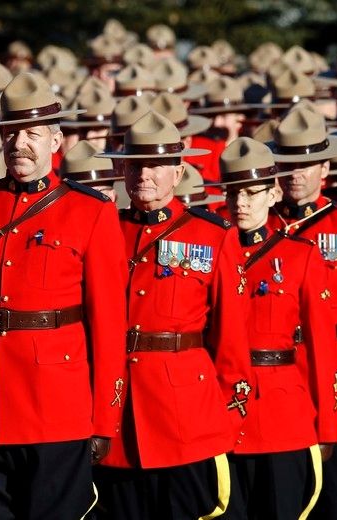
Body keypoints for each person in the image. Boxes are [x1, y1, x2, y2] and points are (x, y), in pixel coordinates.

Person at [0, 72, 128, 519]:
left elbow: (108, 325)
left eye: (32, 134)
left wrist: (104, 417)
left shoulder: (90, 211)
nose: (19, 143)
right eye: (11, 133)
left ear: (55, 139)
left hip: (57, 408)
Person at [95, 111, 252, 519]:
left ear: (179, 171)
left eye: (155, 165)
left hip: (186, 413)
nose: (143, 175)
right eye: (134, 165)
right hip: (118, 414)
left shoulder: (212, 235)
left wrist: (225, 415)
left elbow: (231, 337)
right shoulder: (104, 230)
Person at [205, 137, 337, 519]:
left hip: (281, 418)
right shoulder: (208, 252)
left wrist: (327, 427)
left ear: (273, 193)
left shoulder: (300, 256)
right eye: (232, 193)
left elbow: (322, 347)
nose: (240, 203)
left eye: (250, 192)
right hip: (222, 415)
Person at [261, 108, 337, 520]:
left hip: (335, 375)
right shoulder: (259, 226)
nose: (295, 175)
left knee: (335, 498)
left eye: (306, 164)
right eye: (287, 165)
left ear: (325, 166)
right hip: (277, 381)